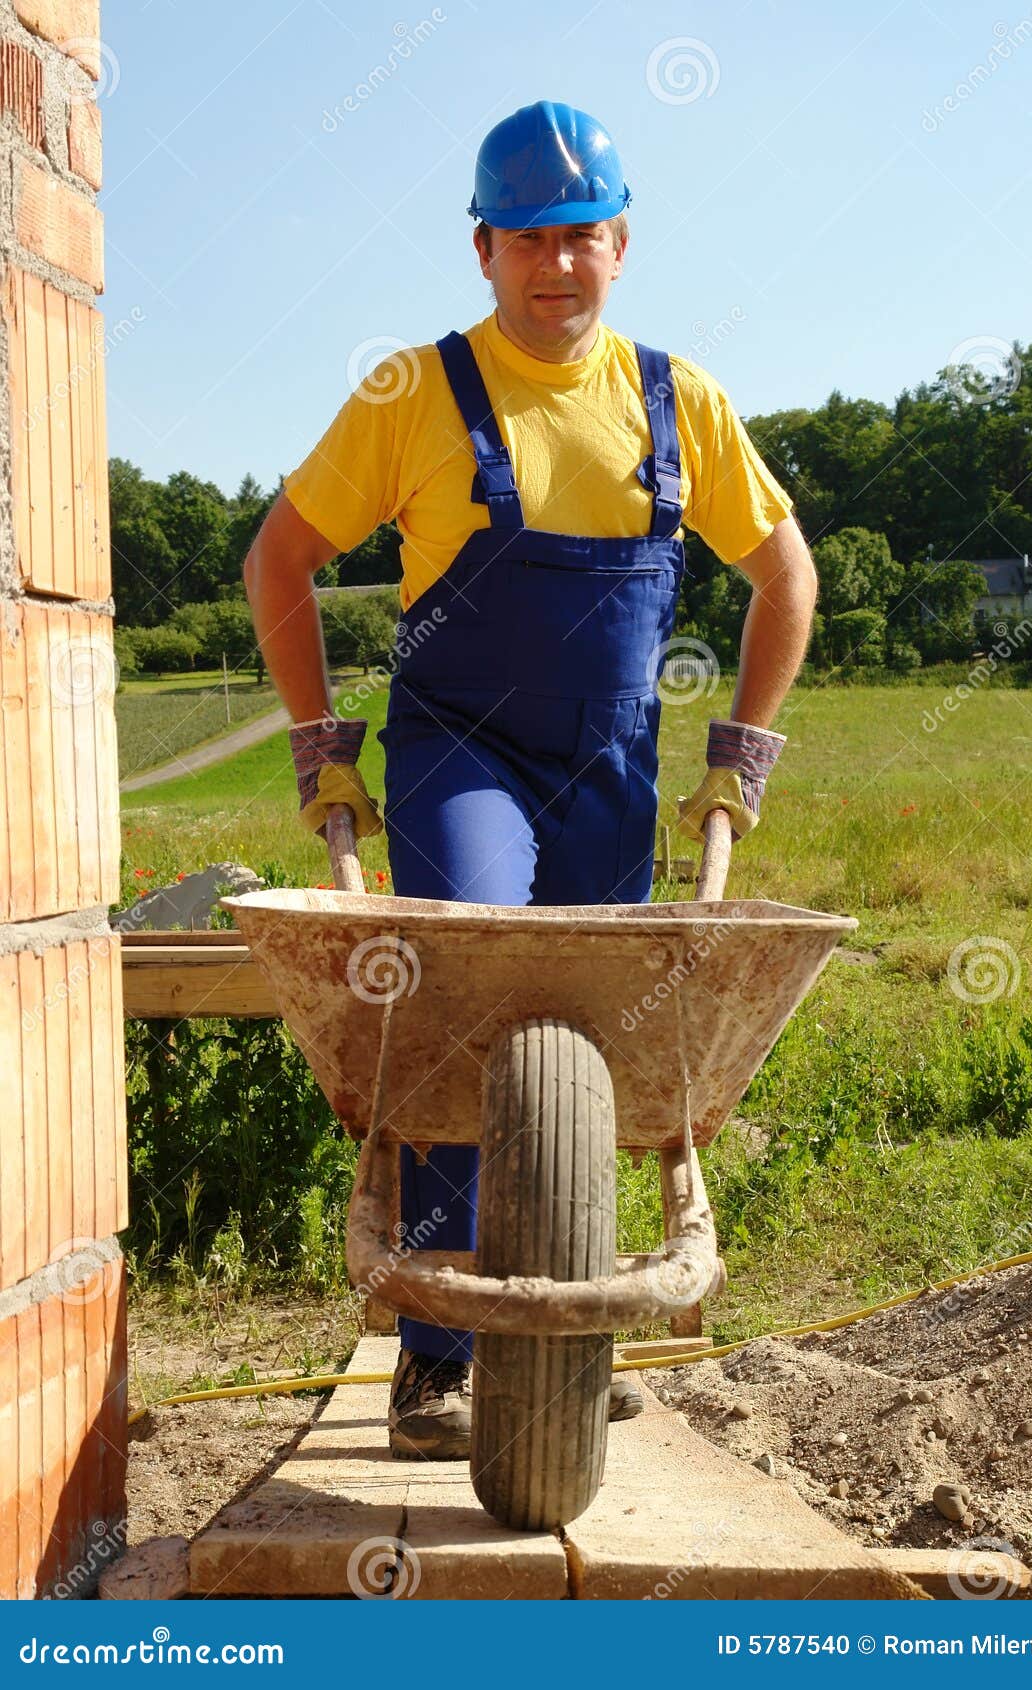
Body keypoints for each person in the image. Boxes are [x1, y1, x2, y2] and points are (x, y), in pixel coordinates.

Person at [244, 100, 818, 1461]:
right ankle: (437, 1364)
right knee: (476, 1008)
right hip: (462, 756)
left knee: (595, 1052)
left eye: (584, 236)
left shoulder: (680, 402)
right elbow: (280, 557)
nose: (558, 265)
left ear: (622, 242)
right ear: (485, 250)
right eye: (529, 240)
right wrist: (323, 743)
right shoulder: (413, 396)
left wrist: (739, 754)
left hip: (612, 765)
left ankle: (559, 1340)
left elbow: (785, 576)